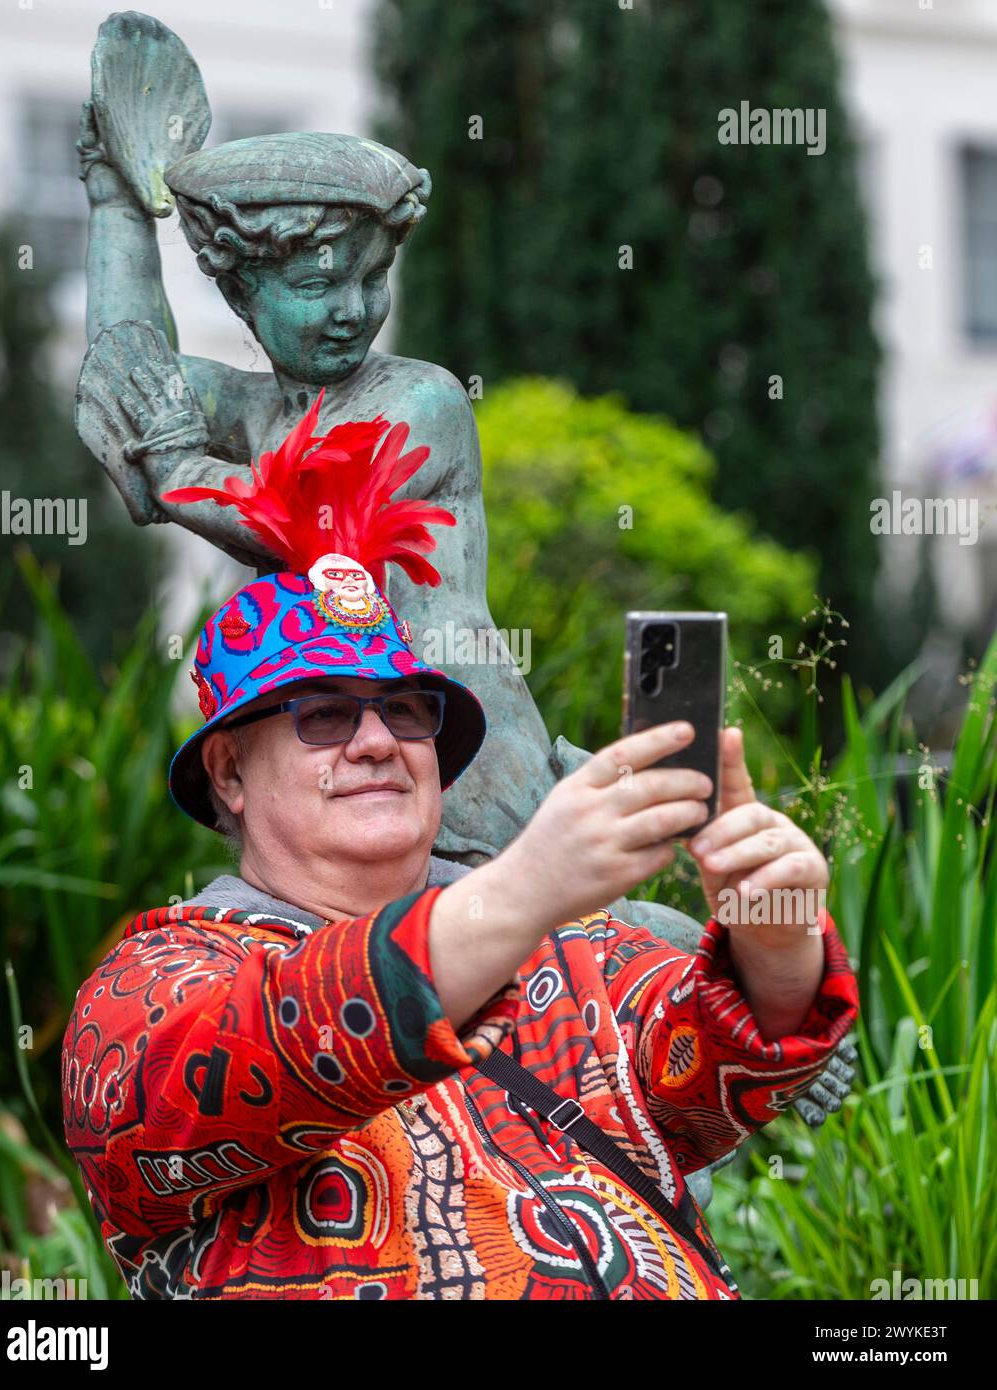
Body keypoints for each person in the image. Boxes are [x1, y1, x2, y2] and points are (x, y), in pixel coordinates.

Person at [61, 397, 859, 1300]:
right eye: (325, 715)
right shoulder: (156, 982)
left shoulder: (584, 950)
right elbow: (245, 1061)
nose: (377, 741)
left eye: (404, 709)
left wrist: (773, 931)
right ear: (229, 771)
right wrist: (524, 891)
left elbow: (713, 1078)